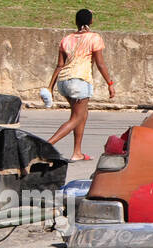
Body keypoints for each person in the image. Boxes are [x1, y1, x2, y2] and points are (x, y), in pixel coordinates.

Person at [46, 9, 114, 161]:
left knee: (81, 115)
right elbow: (100, 64)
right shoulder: (94, 38)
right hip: (79, 81)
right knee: (77, 117)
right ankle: (45, 145)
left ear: (76, 22)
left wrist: (50, 87)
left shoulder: (66, 39)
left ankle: (77, 152)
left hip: (63, 82)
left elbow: (59, 65)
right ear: (91, 22)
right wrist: (110, 83)